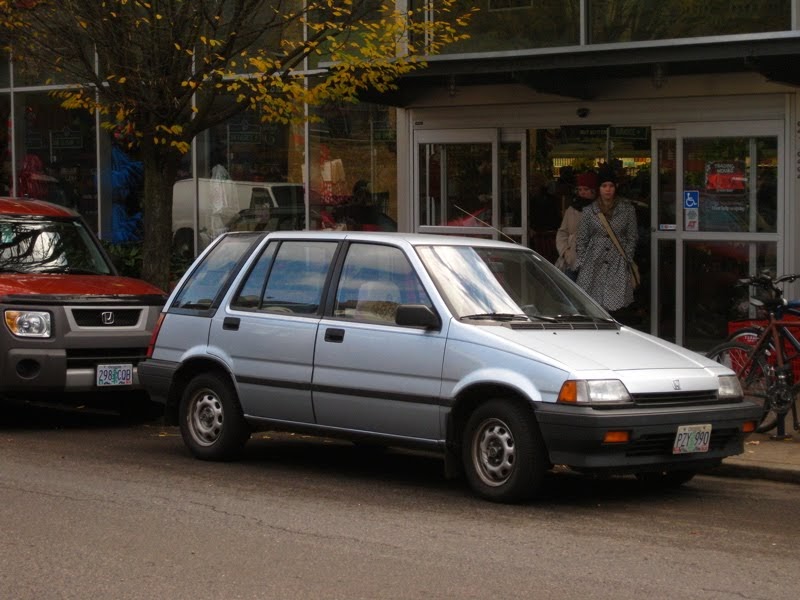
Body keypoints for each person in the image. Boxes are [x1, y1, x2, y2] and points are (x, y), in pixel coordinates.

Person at [575, 167, 638, 318]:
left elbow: (632, 237)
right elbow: (582, 238)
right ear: (599, 189)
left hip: (618, 260)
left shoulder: (627, 210)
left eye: (611, 186)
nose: (608, 190)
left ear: (616, 187)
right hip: (593, 261)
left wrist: (626, 258)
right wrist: (583, 261)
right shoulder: (589, 211)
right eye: (604, 186)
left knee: (616, 304)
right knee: (593, 304)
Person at [555, 171, 597, 280]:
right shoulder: (572, 209)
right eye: (580, 189)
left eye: (586, 189)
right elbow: (562, 232)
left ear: (593, 191)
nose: (582, 193)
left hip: (594, 264)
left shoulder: (600, 210)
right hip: (572, 261)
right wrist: (565, 252)